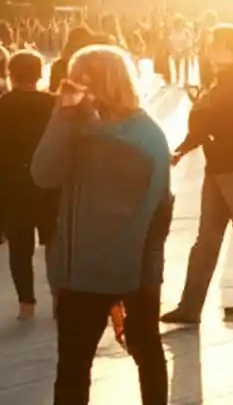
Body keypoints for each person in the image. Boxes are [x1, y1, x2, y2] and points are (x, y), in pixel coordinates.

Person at [32, 45, 172, 405]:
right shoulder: (150, 133)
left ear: (90, 83)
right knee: (147, 354)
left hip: (84, 272)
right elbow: (161, 208)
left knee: (73, 371)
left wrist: (61, 117)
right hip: (138, 266)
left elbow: (43, 174)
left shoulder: (87, 136)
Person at [163, 25, 233, 324]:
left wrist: (196, 117)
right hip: (225, 169)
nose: (207, 51)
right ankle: (191, 306)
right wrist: (184, 147)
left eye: (211, 45)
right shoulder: (231, 83)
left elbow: (206, 125)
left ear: (225, 48)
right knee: (211, 238)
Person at [0, 50, 56, 319]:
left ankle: (26, 304)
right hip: (49, 184)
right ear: (39, 73)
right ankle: (59, 298)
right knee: (55, 245)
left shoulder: (3, 105)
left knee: (20, 248)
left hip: (13, 187)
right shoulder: (53, 105)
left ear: (11, 74)